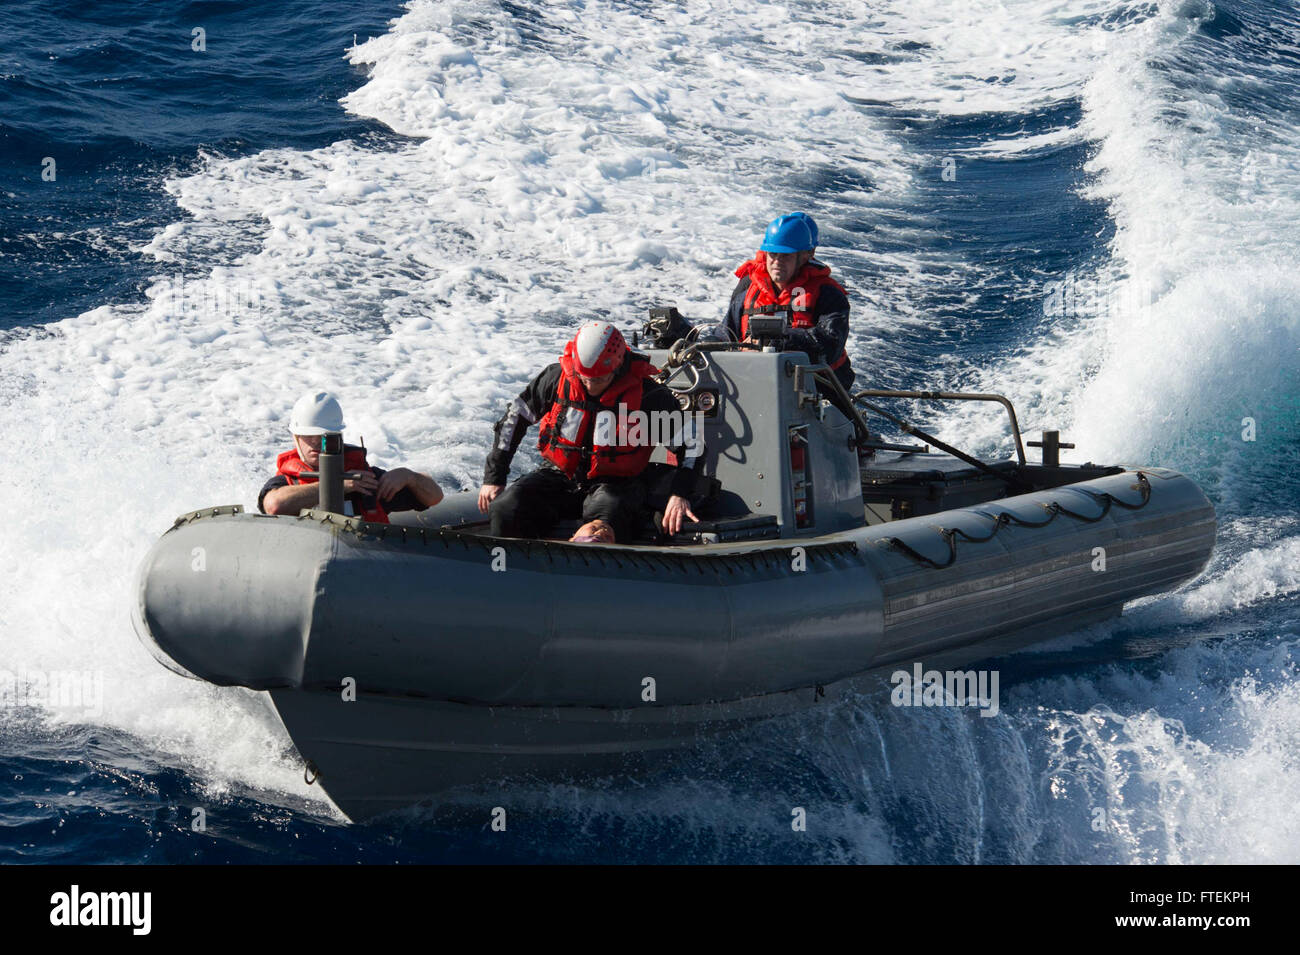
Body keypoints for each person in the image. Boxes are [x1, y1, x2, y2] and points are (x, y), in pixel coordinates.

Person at [479, 321, 701, 543]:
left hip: (616, 483)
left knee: (606, 520)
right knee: (505, 509)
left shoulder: (650, 396)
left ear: (617, 366)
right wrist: (494, 476)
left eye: (599, 379)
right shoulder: (555, 378)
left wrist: (680, 494)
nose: (590, 386)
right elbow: (513, 420)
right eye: (584, 379)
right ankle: (510, 569)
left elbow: (693, 446)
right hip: (559, 476)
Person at [711, 211, 855, 391]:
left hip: (814, 388)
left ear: (805, 255)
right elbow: (724, 334)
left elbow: (830, 346)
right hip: (752, 383)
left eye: (785, 255)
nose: (777, 262)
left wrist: (774, 341)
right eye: (773, 254)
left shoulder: (828, 294)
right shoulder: (747, 288)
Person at [259, 391, 443, 522]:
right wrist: (338, 485)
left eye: (323, 437)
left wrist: (409, 476)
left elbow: (434, 496)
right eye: (308, 437)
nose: (315, 443)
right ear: (296, 438)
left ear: (338, 436)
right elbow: (274, 506)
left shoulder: (363, 480)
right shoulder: (284, 484)